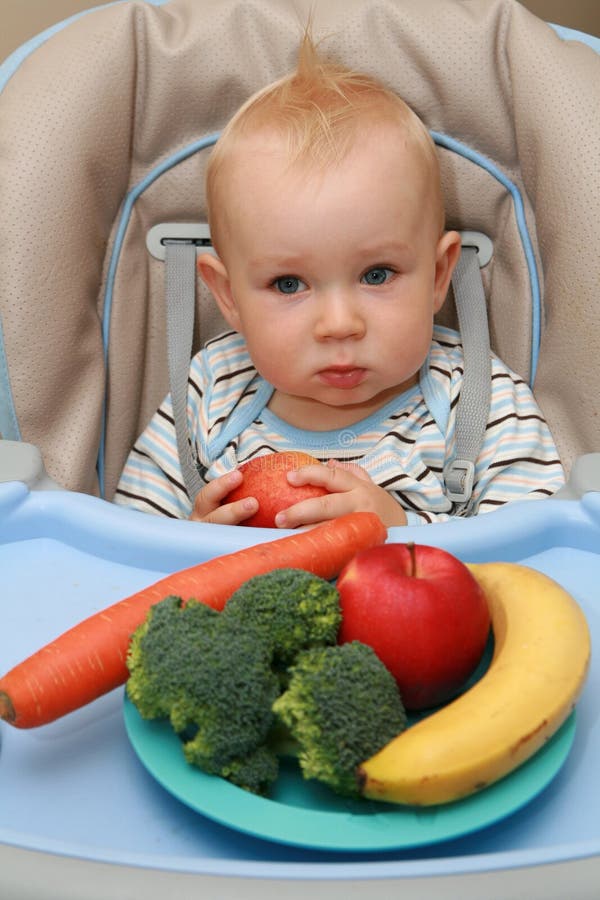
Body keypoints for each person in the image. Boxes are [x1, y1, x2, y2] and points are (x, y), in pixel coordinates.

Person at [115, 35, 565, 528]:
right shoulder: (208, 394)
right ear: (228, 296)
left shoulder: (480, 403)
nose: (339, 325)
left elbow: (532, 553)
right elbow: (128, 545)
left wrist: (404, 533)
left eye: (377, 275)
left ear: (439, 276)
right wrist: (190, 540)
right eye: (289, 284)